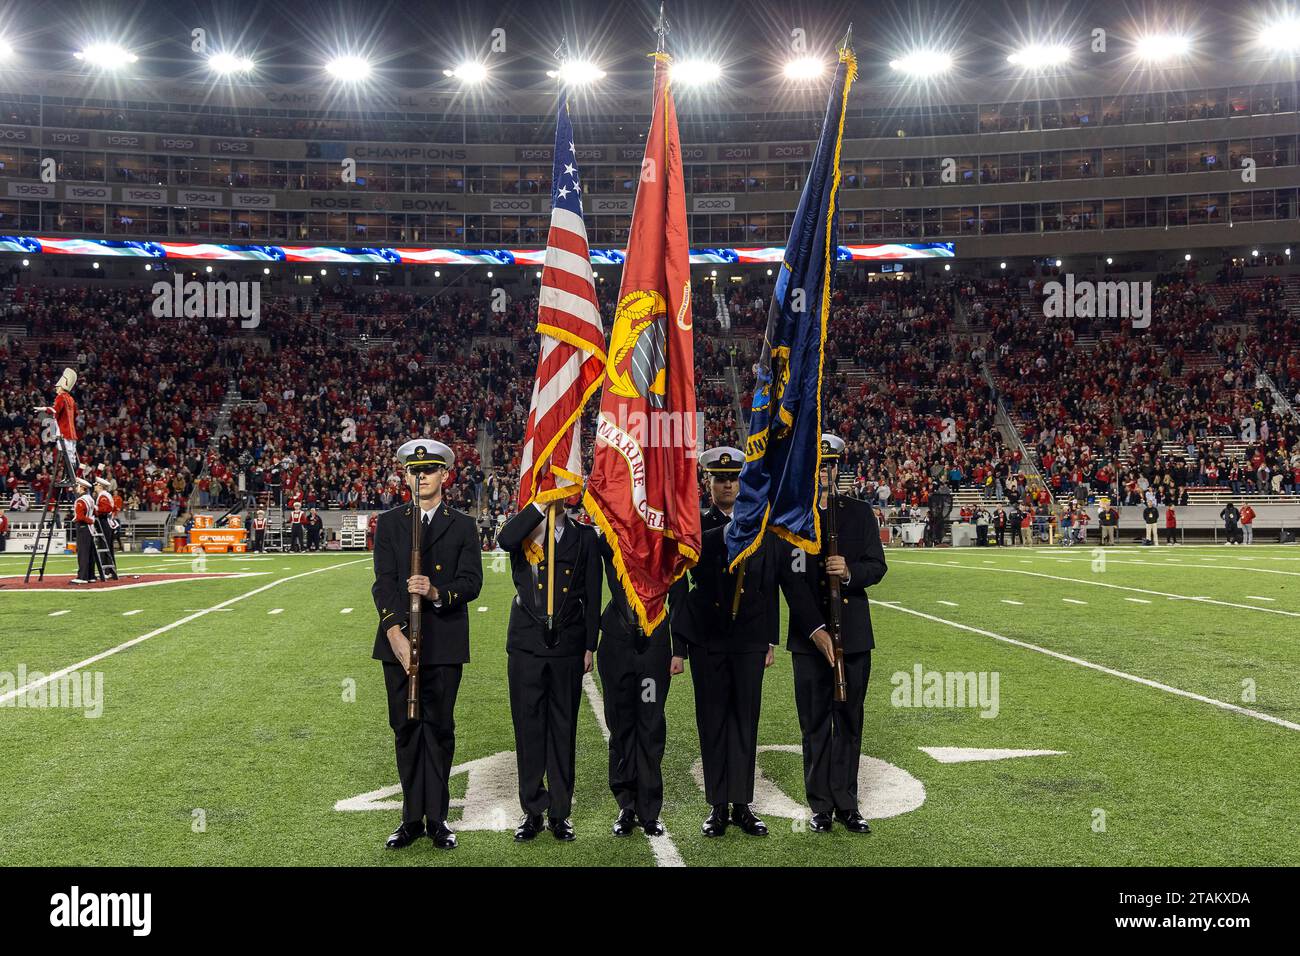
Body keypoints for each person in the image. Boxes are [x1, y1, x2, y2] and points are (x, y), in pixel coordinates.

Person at [371, 439, 483, 851]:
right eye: (414, 472)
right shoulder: (390, 522)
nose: (421, 477)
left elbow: (472, 582)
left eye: (429, 471)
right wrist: (394, 632)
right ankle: (410, 819)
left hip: (443, 642)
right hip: (398, 644)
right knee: (405, 728)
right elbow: (382, 583)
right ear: (406, 476)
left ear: (445, 476)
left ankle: (437, 818)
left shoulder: (463, 524)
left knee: (438, 729)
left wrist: (437, 592)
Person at [776, 434, 888, 834]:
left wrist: (851, 572)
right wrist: (816, 629)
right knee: (815, 724)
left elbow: (878, 566)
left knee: (849, 721)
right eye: (818, 463)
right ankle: (820, 804)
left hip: (854, 638)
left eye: (830, 464)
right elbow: (789, 580)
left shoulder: (859, 513)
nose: (824, 470)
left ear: (838, 468)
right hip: (810, 640)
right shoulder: (791, 516)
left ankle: (847, 802)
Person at [673, 446, 776, 839]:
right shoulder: (696, 525)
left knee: (745, 721)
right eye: (720, 478)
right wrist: (679, 645)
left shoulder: (757, 524)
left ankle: (742, 804)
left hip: (749, 637)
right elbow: (686, 574)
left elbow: (769, 583)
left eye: (733, 478)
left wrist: (770, 639)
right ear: (709, 483)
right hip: (708, 636)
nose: (728, 484)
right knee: (713, 721)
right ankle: (717, 805)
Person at [496, 493, 601, 843]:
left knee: (562, 728)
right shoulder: (524, 532)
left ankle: (559, 812)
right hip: (527, 643)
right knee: (528, 728)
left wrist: (589, 645)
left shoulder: (584, 536)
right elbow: (504, 540)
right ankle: (532, 811)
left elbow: (592, 594)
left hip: (568, 644)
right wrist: (539, 505)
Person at [595, 528, 684, 839]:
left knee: (649, 724)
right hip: (617, 644)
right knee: (621, 724)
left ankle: (649, 809)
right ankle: (626, 804)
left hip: (654, 645)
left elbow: (680, 589)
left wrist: (680, 648)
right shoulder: (610, 535)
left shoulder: (667, 537)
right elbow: (597, 571)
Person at [32, 368, 80, 480]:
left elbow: (54, 410)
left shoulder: (61, 397)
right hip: (72, 433)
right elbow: (76, 415)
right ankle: (69, 477)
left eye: (57, 387)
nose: (56, 389)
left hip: (64, 431)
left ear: (61, 387)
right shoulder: (71, 399)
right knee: (71, 457)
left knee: (66, 455)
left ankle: (69, 478)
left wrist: (43, 408)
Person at [70, 477, 97, 585]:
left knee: (83, 553)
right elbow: (95, 511)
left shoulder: (80, 500)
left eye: (77, 486)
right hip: (90, 529)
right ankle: (91, 576)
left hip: (83, 527)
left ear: (82, 487)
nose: (76, 488)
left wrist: (89, 520)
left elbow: (80, 517)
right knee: (90, 553)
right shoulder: (90, 499)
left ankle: (82, 576)